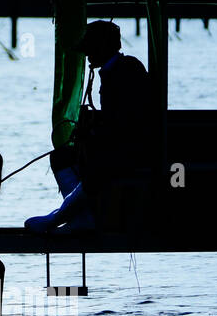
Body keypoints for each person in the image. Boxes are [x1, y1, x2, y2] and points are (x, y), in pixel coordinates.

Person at [25, 20, 155, 233]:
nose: (87, 56)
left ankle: (69, 217)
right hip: (127, 143)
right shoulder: (116, 70)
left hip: (132, 148)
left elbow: (127, 120)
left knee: (96, 162)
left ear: (101, 47)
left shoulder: (124, 71)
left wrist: (94, 132)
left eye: (90, 50)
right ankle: (80, 216)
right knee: (62, 157)